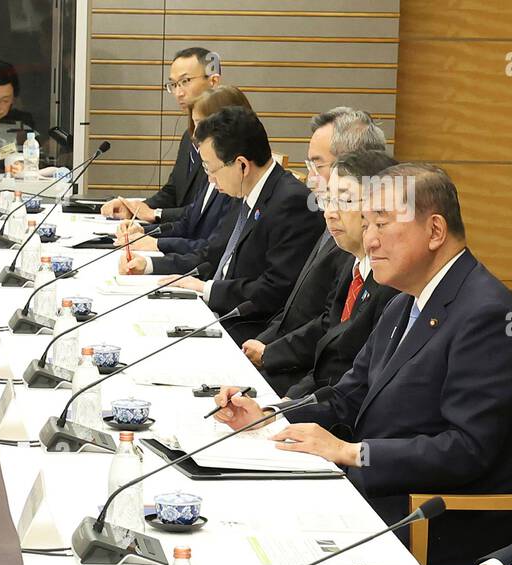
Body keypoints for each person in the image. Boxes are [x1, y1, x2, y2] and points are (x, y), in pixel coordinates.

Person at [212, 164, 512, 565]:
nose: (369, 239)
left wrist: (353, 453)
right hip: (381, 493)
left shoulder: (486, 314)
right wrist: (270, 416)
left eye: (382, 223)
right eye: (366, 224)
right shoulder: (405, 300)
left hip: (437, 521)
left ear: (435, 231)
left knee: (270, 548)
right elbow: (350, 393)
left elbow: (467, 450)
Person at [133, 106, 324, 341]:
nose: (210, 180)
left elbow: (276, 289)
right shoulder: (243, 189)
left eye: (211, 169)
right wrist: (151, 266)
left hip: (247, 328)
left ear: (242, 165)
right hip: (215, 311)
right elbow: (212, 253)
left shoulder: (291, 202)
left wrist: (207, 289)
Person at [241, 108, 388, 376]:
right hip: (298, 369)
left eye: (317, 165)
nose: (310, 178)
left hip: (306, 373)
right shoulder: (335, 222)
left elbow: (334, 339)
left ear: (351, 163)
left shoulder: (371, 251)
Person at [250, 150, 401, 398]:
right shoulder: (351, 263)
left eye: (345, 201)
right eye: (328, 200)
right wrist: (287, 403)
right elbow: (328, 342)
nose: (330, 212)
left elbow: (351, 376)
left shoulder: (392, 284)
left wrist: (287, 408)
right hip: (314, 391)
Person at [116, 85, 246, 260]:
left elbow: (214, 248)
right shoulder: (209, 163)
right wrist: (143, 231)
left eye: (202, 124)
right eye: (195, 123)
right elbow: (189, 221)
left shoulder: (235, 176)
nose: (195, 133)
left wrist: (155, 245)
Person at [101, 47, 221, 224]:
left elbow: (206, 211)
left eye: (185, 81)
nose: (178, 93)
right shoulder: (189, 137)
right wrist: (133, 207)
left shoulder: (228, 139)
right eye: (173, 84)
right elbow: (173, 191)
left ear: (213, 82)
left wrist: (156, 214)